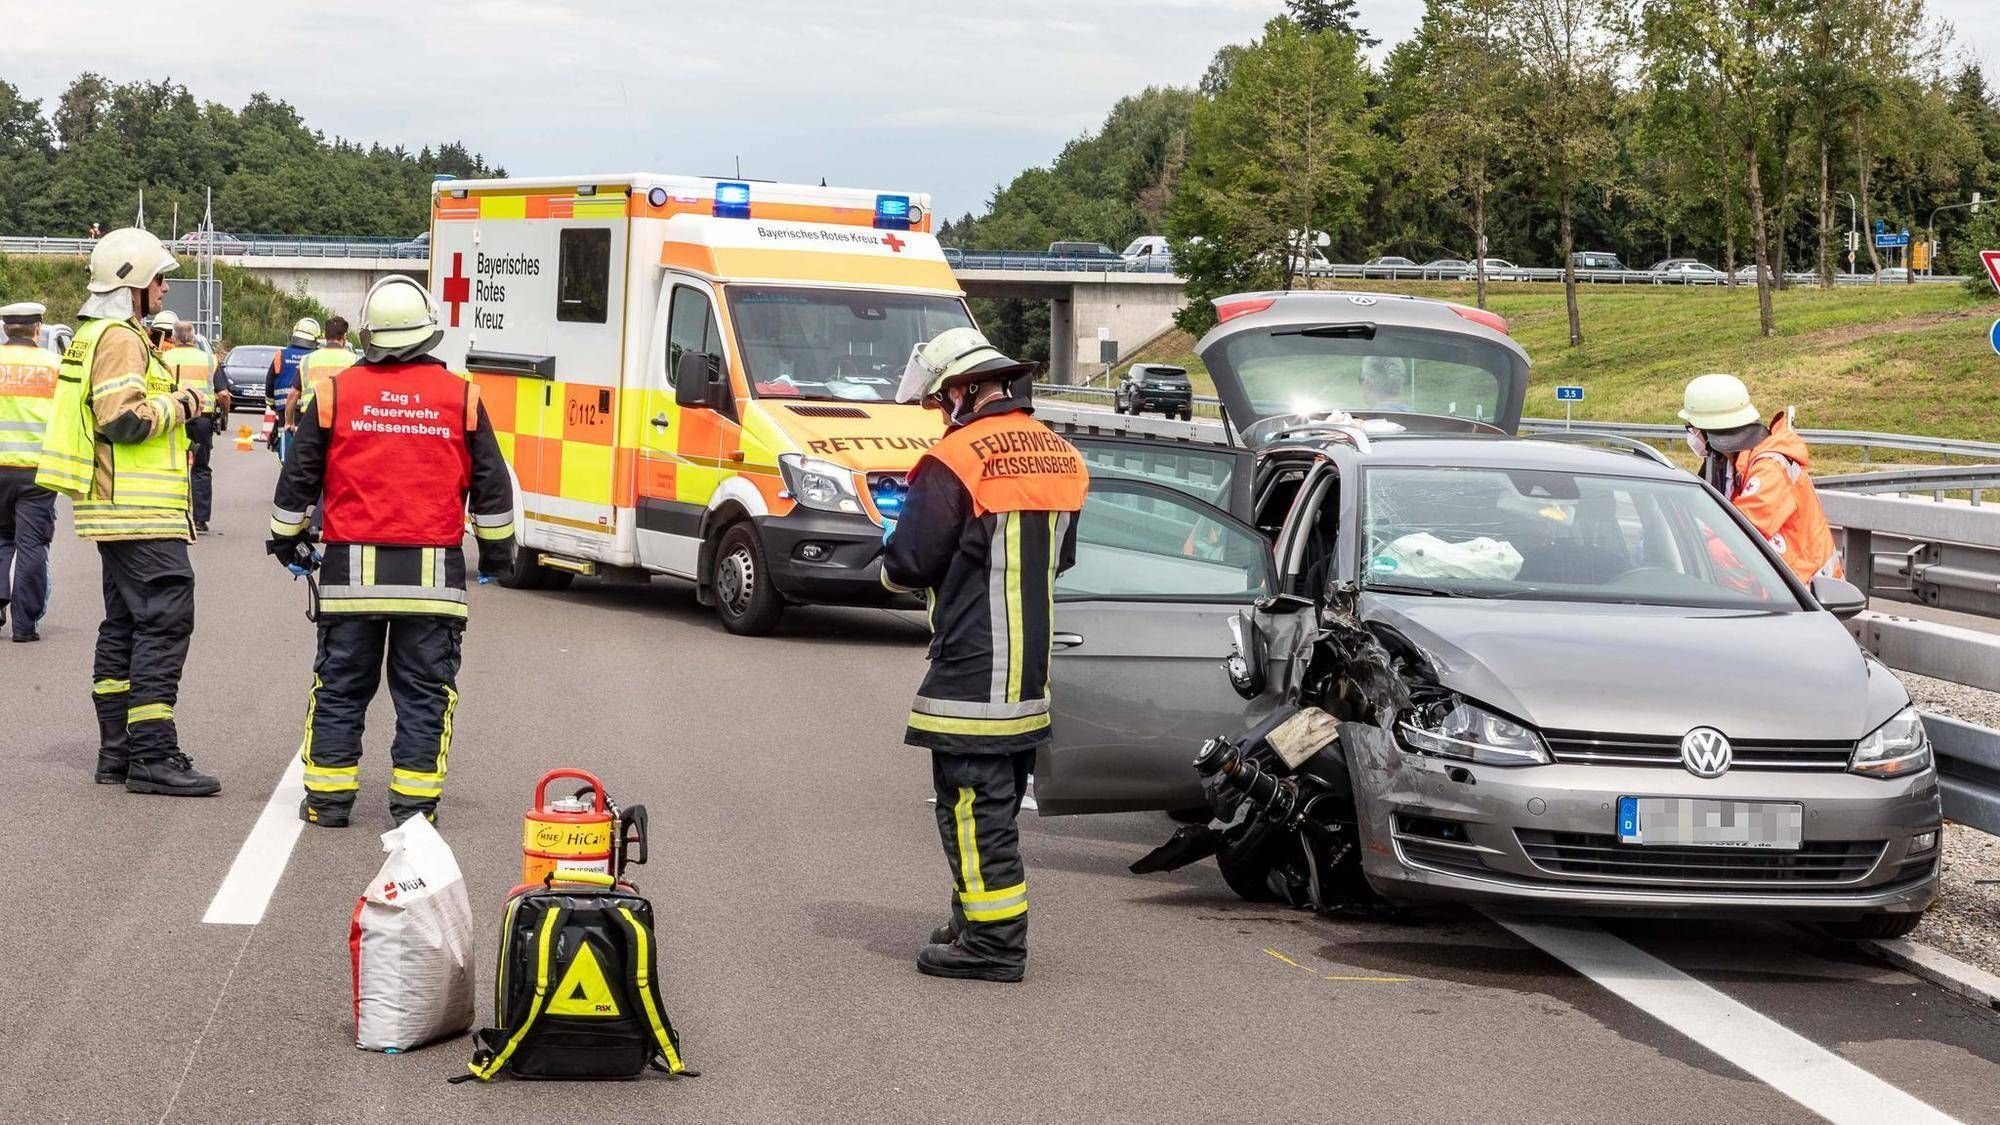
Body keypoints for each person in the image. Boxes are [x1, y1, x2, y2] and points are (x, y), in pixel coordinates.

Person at [268, 276, 514, 827]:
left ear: (370, 333)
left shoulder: (335, 394)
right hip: (432, 585)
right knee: (425, 695)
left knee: (340, 688)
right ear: (428, 332)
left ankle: (329, 802)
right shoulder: (463, 396)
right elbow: (493, 489)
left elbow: (298, 478)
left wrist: (286, 538)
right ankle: (413, 812)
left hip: (350, 581)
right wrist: (498, 558)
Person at [881, 327, 1088, 983]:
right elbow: (1060, 557)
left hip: (972, 669)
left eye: (941, 400)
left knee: (973, 809)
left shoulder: (955, 459)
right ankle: (972, 920)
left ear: (963, 391)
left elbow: (910, 561)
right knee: (991, 806)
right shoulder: (1061, 456)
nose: (940, 412)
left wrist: (890, 556)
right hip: (1029, 675)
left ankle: (995, 942)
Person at [34, 228, 217, 795]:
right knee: (164, 621)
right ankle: (153, 756)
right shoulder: (119, 337)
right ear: (133, 283)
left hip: (119, 509)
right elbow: (122, 419)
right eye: (158, 279)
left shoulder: (99, 333)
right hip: (138, 510)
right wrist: (185, 403)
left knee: (126, 625)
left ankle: (117, 752)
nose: (164, 289)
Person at [1679, 373, 1842, 583]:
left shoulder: (1770, 468)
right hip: (1778, 583)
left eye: (1692, 428)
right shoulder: (1725, 463)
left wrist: (1696, 538)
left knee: (1718, 550)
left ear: (1710, 430)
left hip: (1807, 590)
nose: (1691, 435)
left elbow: (1741, 534)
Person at [0, 301, 60, 643]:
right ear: (38, 329)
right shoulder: (54, 365)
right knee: (32, 545)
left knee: (0, 539)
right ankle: (24, 626)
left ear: (5, 329)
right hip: (37, 472)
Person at [155, 315, 229, 534]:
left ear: (174, 338)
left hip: (173, 418)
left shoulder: (163, 358)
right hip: (202, 420)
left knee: (170, 465)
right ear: (194, 338)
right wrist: (223, 416)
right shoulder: (209, 360)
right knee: (201, 467)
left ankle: (171, 514)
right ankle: (199, 520)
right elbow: (223, 394)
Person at [286, 315, 355, 432]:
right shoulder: (353, 361)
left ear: (325, 336)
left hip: (311, 419)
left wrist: (289, 422)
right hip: (341, 419)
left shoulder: (308, 360)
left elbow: (293, 393)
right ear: (344, 337)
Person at [266, 317, 319, 460]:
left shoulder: (280, 355)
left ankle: (285, 466)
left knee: (286, 444)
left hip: (284, 409)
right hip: (308, 409)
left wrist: (272, 404)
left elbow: (270, 382)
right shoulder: (315, 357)